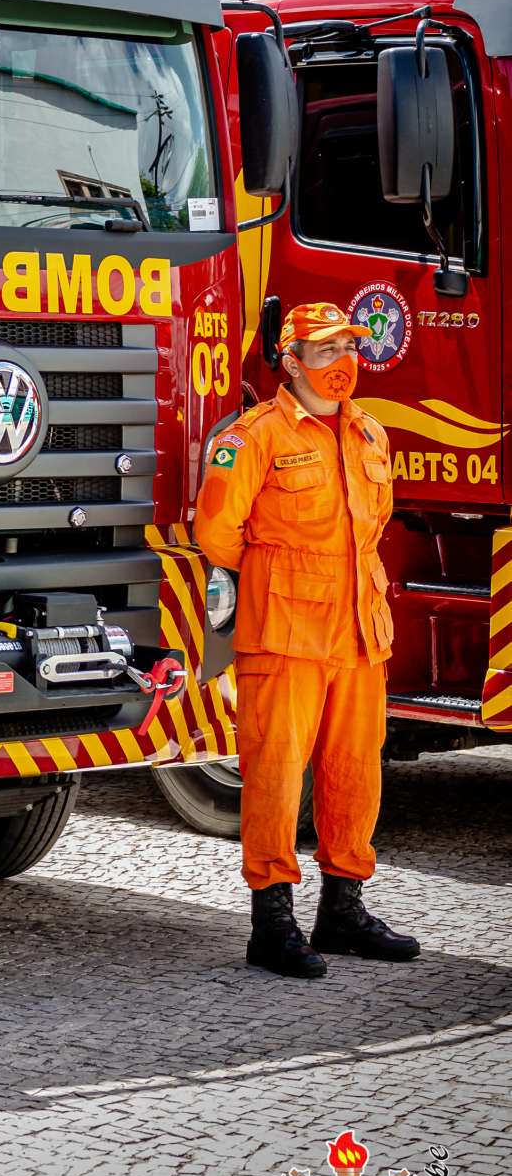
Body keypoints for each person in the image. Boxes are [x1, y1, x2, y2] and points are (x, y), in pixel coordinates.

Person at [194, 301, 420, 978]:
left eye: (347, 350)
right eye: (324, 352)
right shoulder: (253, 435)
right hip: (285, 634)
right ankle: (272, 922)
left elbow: (374, 524)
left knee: (354, 775)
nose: (340, 363)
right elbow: (215, 534)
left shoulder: (369, 434)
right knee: (273, 776)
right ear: (289, 361)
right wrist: (277, 577)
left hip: (357, 633)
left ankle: (342, 909)